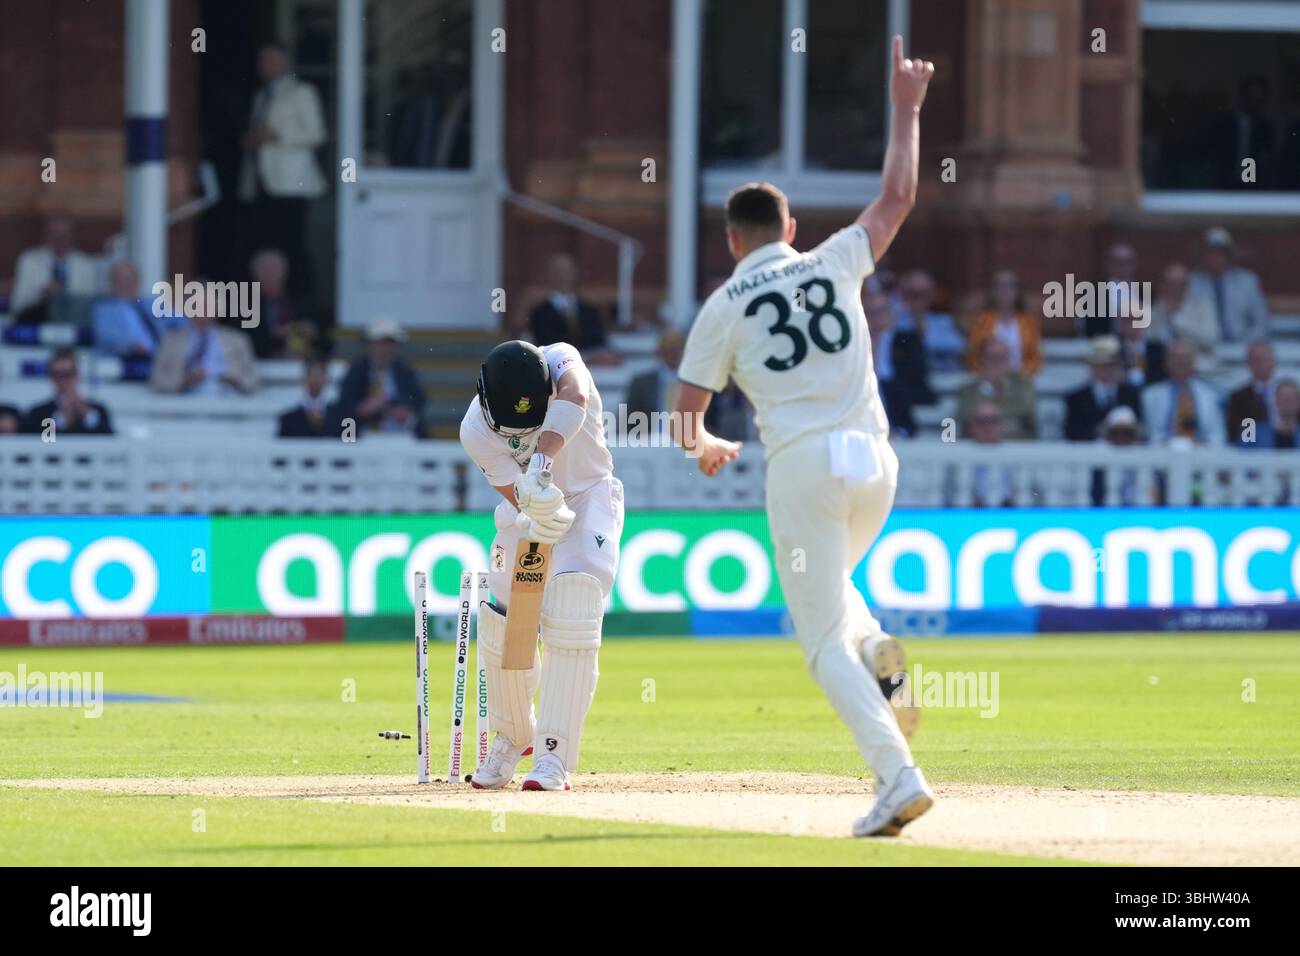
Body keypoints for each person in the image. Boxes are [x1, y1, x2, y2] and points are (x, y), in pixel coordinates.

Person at [670, 37, 936, 838]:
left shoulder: (722, 305)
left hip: (804, 469)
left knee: (819, 638)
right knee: (841, 602)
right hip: (877, 467)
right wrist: (906, 108)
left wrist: (708, 445)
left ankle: (898, 778)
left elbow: (685, 416)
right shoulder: (833, 258)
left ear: (730, 240)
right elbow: (896, 198)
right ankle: (882, 651)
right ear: (790, 225)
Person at [458, 339, 624, 793]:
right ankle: (512, 736)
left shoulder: (564, 362)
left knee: (575, 603)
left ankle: (553, 756)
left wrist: (543, 467)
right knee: (505, 621)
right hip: (528, 508)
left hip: (588, 498)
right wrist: (534, 498)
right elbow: (513, 492)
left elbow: (576, 396)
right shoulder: (475, 429)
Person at [237, 42, 327, 300]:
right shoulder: (260, 96)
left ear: (285, 63)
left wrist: (276, 135)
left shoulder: (301, 92)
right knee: (264, 246)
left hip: (290, 184)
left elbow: (317, 133)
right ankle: (268, 304)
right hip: (261, 182)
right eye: (261, 60)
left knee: (292, 245)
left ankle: (300, 302)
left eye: (271, 59)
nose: (265, 65)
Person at [150, 298, 259, 396]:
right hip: (183, 407)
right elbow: (156, 379)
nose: (202, 310)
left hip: (227, 403)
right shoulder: (171, 340)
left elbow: (252, 379)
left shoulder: (237, 340)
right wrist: (184, 381)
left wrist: (234, 380)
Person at [337, 318, 426, 436]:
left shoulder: (404, 370)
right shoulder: (357, 371)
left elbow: (418, 398)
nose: (383, 349)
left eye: (389, 344)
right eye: (379, 343)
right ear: (369, 345)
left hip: (401, 435)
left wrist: (399, 408)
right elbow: (346, 402)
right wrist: (361, 408)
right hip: (362, 436)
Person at [527, 254, 619, 365]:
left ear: (575, 274)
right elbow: (547, 347)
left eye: (567, 271)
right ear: (549, 275)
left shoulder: (589, 310)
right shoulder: (539, 313)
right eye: (558, 271)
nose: (562, 276)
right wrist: (587, 358)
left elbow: (599, 341)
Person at [865, 289, 931, 437]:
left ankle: (899, 430)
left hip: (898, 398)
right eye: (870, 311)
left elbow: (915, 375)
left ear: (892, 314)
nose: (876, 316)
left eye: (882, 310)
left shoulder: (909, 340)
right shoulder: (854, 343)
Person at [10, 218, 100, 324]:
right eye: (54, 234)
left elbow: (89, 302)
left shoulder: (85, 264)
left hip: (74, 322)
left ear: (72, 236)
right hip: (37, 319)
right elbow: (18, 304)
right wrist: (42, 293)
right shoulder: (29, 260)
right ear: (46, 236)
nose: (59, 239)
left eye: (63, 234)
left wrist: (64, 297)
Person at [1188, 227, 1269, 343]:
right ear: (1202, 255)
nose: (1215, 257)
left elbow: (1261, 322)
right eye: (1210, 252)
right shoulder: (1192, 283)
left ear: (1229, 255)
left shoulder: (1247, 282)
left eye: (1220, 252)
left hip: (1243, 347)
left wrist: (1248, 343)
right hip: (1203, 348)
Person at [1140, 338, 1226, 446]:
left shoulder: (1210, 395)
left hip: (1202, 456)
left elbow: (1218, 436)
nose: (1181, 363)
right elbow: (1151, 436)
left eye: (1185, 359)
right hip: (1164, 456)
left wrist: (1202, 444)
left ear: (1193, 362)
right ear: (1167, 363)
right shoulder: (1150, 396)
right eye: (1176, 359)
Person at [92, 261, 182, 358]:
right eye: (119, 280)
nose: (124, 284)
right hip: (127, 361)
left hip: (161, 357)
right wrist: (131, 346)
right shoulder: (104, 311)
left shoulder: (152, 303)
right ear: (111, 283)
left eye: (128, 279)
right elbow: (105, 337)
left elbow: (182, 320)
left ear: (137, 281)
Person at [956, 337, 1037, 440]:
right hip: (977, 447)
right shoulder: (968, 390)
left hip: (1015, 444)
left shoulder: (1023, 387)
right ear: (983, 361)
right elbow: (965, 420)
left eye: (1002, 358)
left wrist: (986, 419)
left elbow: (1028, 418)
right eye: (993, 358)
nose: (998, 364)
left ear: (1008, 361)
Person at [964, 269, 1043, 375]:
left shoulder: (1029, 322)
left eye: (1010, 286)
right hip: (987, 378)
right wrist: (985, 374)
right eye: (1000, 286)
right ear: (993, 291)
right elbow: (972, 355)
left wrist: (1023, 374)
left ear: (1017, 291)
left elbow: (1036, 357)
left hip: (1020, 378)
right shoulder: (981, 321)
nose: (1004, 291)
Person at [19, 348, 113, 436]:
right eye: (57, 374)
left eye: (67, 374)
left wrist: (86, 414)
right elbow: (43, 443)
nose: (63, 380)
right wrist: (61, 419)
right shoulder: (38, 413)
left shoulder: (99, 410)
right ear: (51, 377)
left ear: (77, 374)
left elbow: (108, 438)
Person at [1063, 336, 1140, 442]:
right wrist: (1099, 431)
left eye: (1109, 365)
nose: (1104, 370)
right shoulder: (1076, 399)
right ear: (1091, 367)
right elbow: (1072, 433)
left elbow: (1139, 430)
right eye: (1099, 365)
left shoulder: (1131, 394)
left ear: (1117, 366)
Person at [894, 269, 964, 372]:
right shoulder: (894, 323)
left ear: (932, 295)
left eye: (924, 294)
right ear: (903, 296)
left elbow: (959, 345)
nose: (918, 300)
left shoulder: (943, 320)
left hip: (943, 379)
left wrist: (924, 334)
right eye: (913, 294)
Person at [1150, 262, 1216, 370]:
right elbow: (1150, 339)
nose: (1176, 288)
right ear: (1164, 284)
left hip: (1198, 366)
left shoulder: (1203, 306)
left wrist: (1176, 321)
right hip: (1163, 366)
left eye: (1180, 284)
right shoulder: (1156, 307)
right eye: (1171, 283)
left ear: (1187, 285)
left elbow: (1210, 339)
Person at [1225, 340, 1277, 444]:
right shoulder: (1238, 398)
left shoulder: (1289, 395)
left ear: (1273, 361)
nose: (1260, 363)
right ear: (1248, 364)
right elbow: (1236, 433)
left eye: (1264, 358)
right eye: (1255, 360)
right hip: (1252, 451)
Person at [277, 357, 344, 438]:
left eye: (320, 375)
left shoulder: (340, 417)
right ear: (303, 379)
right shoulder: (288, 419)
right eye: (312, 375)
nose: (316, 380)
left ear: (327, 379)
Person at [1255, 378, 1299, 450]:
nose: (1287, 402)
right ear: (1276, 401)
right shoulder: (1256, 433)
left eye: (1292, 398)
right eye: (1283, 398)